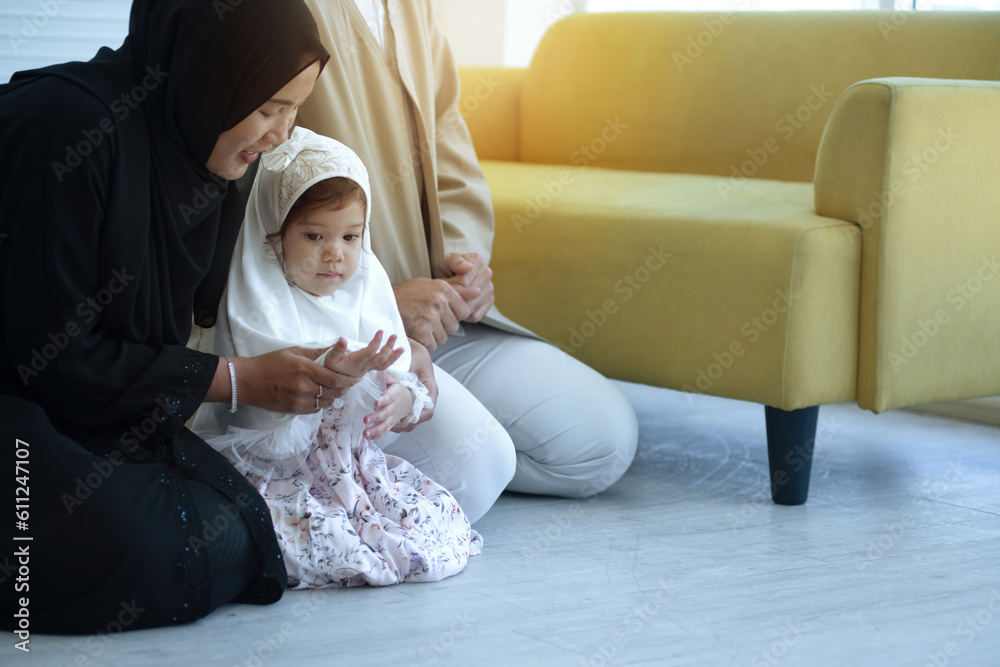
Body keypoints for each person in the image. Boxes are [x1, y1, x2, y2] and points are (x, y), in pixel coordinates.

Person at [0, 0, 379, 633]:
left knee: (235, 522)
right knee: (154, 550)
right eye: (268, 108)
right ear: (208, 73)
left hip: (83, 403)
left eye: (294, 109)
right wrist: (236, 380)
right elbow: (56, 356)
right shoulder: (67, 129)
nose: (282, 134)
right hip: (23, 390)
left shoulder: (189, 151)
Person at [294, 0, 639, 514]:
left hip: (442, 327)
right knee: (479, 465)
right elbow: (259, 196)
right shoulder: (285, 13)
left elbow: (453, 153)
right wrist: (382, 304)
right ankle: (337, 465)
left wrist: (462, 269)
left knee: (601, 441)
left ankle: (389, 458)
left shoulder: (412, 10)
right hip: (343, 341)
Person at [193, 127, 481, 588]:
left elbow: (404, 372)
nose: (335, 254)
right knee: (317, 540)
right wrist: (331, 379)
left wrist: (403, 398)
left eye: (351, 237)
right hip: (282, 469)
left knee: (423, 524)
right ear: (273, 235)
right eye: (313, 235)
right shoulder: (257, 303)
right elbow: (263, 427)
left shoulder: (364, 290)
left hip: (352, 466)